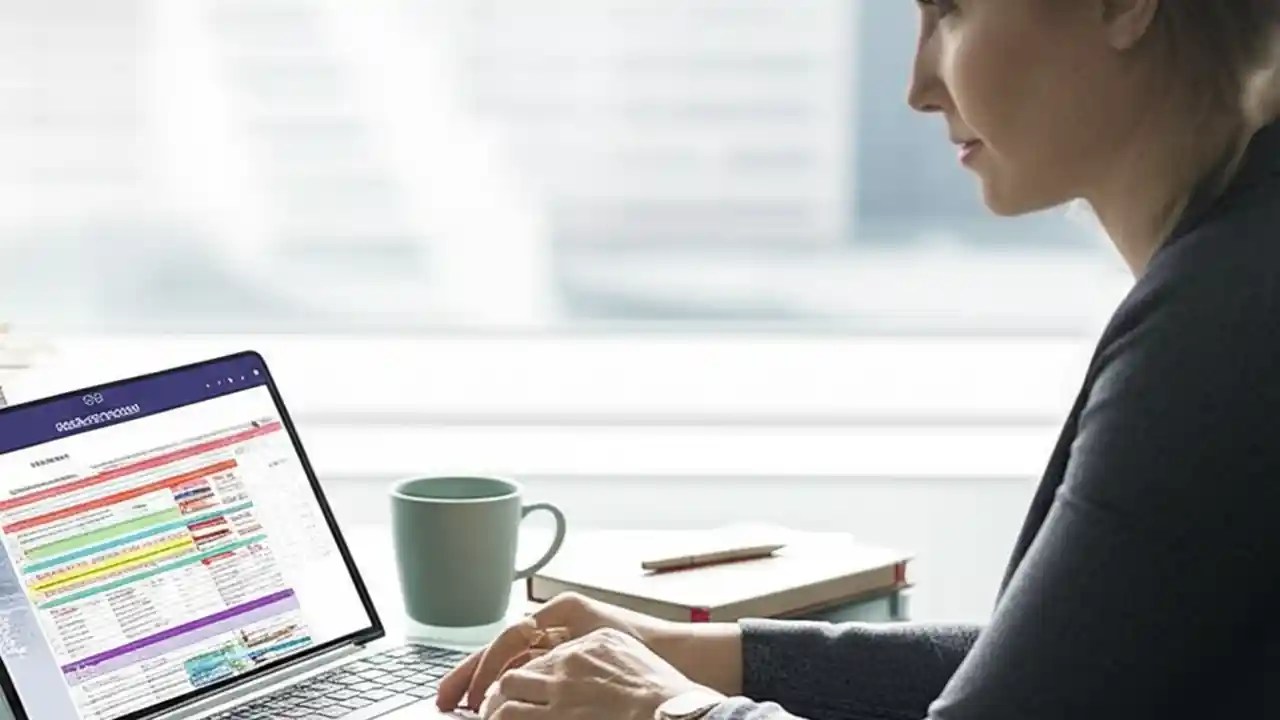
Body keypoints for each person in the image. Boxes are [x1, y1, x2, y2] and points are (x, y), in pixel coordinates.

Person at [436, 1, 1280, 718]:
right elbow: (1056, 670)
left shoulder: (1217, 325)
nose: (918, 86)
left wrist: (668, 707)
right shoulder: (1236, 269)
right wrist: (694, 654)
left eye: (950, 11)